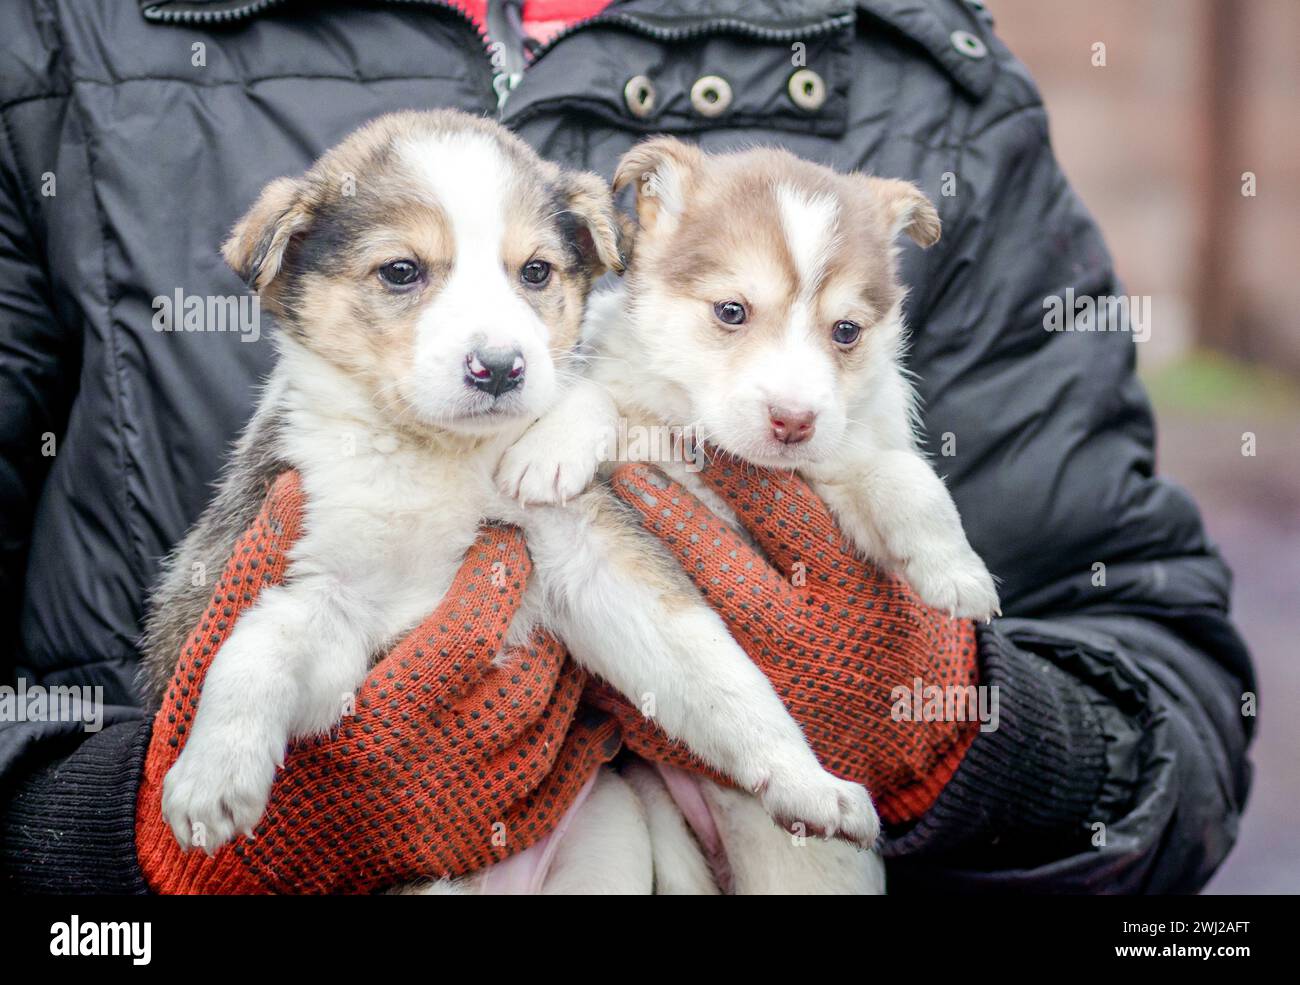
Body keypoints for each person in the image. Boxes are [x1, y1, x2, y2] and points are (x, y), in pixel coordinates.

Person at [0, 0, 1253, 894]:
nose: (495, 347)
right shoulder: (59, 42)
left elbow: (1167, 716)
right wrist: (123, 843)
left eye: (539, 274)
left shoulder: (931, 82)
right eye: (401, 274)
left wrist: (947, 721)